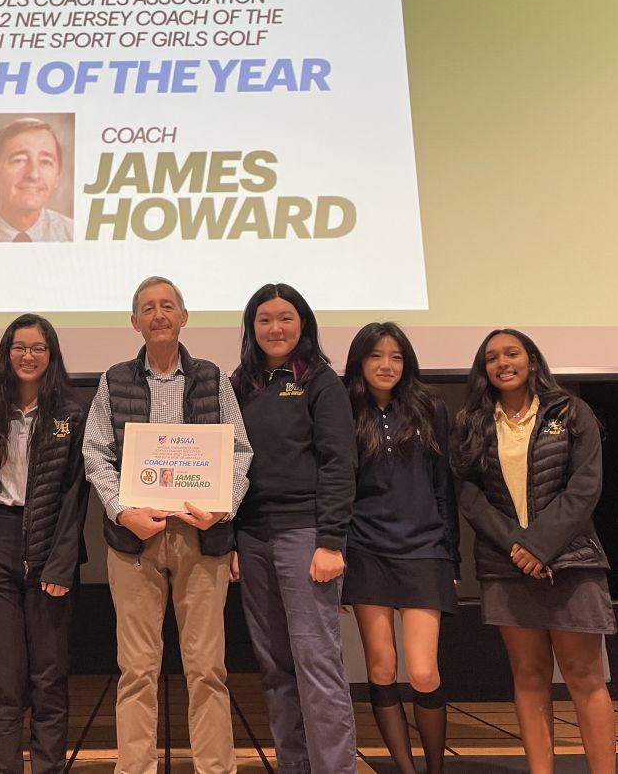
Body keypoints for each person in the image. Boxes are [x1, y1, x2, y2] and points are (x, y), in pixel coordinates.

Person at [83, 275, 253, 774]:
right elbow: (96, 454)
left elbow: (240, 450)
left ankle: (215, 769)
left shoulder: (212, 377)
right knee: (136, 670)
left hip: (202, 539)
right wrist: (122, 510)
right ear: (135, 323)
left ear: (184, 316)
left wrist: (223, 505)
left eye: (168, 306)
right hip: (133, 542)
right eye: (148, 308)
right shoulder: (113, 379)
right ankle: (134, 768)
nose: (158, 314)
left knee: (207, 670)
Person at [452, 329, 616, 774]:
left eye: (512, 353)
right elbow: (469, 495)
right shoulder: (472, 421)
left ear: (531, 360)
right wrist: (518, 547)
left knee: (584, 677)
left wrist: (541, 546)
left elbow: (585, 487)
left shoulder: (570, 411)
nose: (502, 362)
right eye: (491, 357)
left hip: (572, 563)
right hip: (506, 567)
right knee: (528, 678)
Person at [230, 283, 358, 774]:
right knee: (275, 669)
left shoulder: (322, 382)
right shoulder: (239, 384)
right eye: (265, 319)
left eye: (285, 317)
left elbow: (339, 463)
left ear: (303, 322)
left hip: (307, 536)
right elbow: (229, 465)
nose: (275, 328)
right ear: (251, 326)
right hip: (252, 537)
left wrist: (331, 541)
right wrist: (233, 539)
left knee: (317, 665)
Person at [0, 314, 88, 774]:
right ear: (6, 354)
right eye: (19, 347)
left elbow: (76, 496)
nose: (28, 355)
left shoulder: (70, 416)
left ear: (51, 356)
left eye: (38, 348)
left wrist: (61, 564)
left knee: (49, 678)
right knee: (2, 681)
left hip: (50, 546)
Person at [341, 322, 459, 774]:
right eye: (375, 356)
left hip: (425, 548)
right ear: (359, 362)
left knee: (425, 672)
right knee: (383, 669)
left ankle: (434, 769)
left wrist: (452, 555)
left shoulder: (430, 408)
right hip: (365, 548)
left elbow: (443, 485)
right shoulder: (344, 408)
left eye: (395, 356)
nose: (386, 365)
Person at [0, 118, 73, 242]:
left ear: (57, 177)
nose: (34, 174)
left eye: (45, 162)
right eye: (19, 160)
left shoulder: (71, 233)